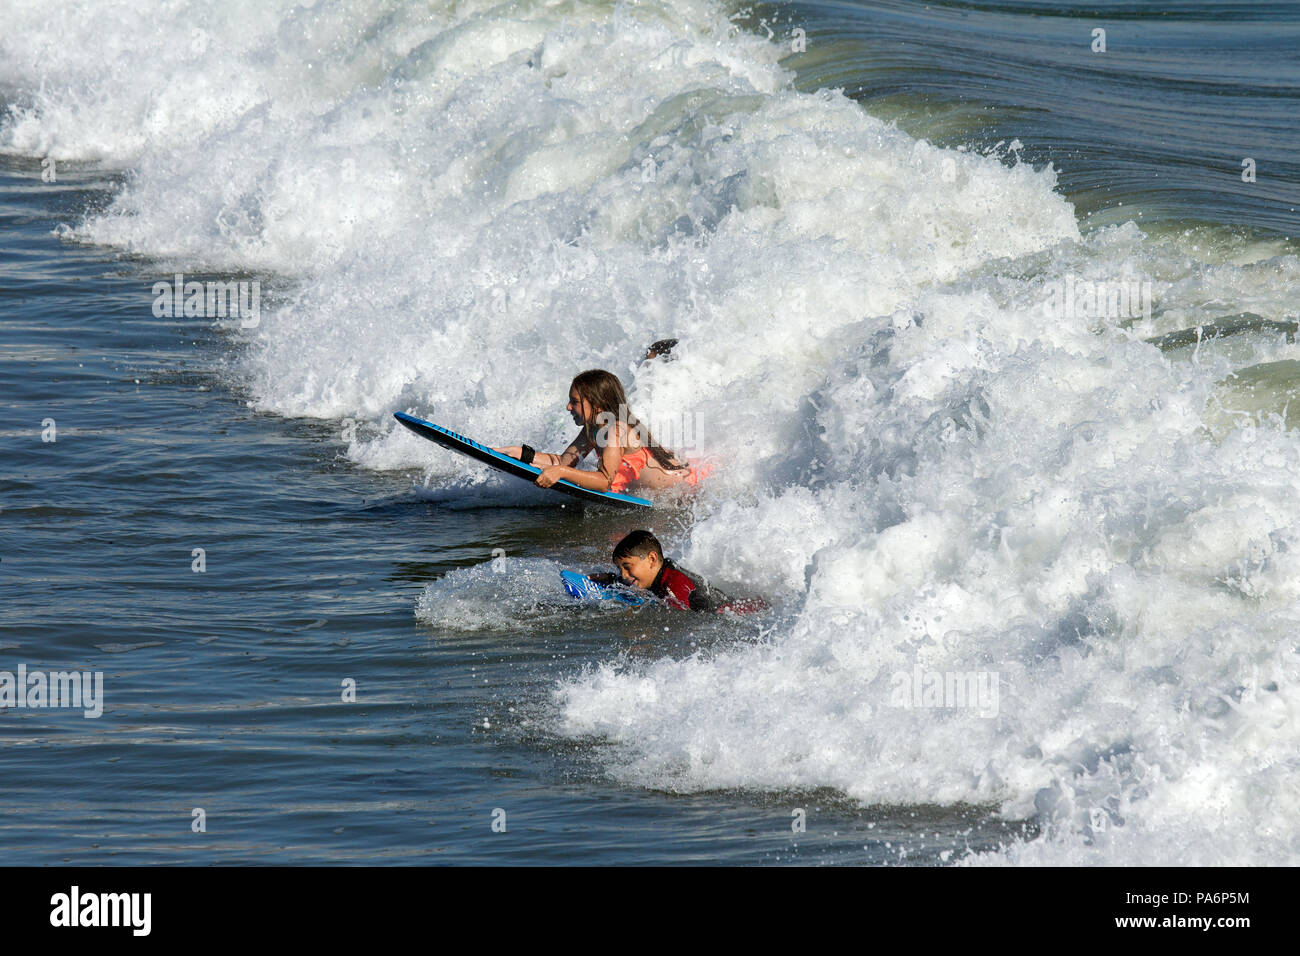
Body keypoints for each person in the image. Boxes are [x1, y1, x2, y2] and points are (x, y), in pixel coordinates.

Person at [495, 369, 705, 495]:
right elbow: (564, 462)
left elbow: (604, 482)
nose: (568, 407)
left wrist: (562, 473)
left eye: (575, 402)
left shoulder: (615, 431)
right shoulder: (593, 429)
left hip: (687, 489)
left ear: (599, 405)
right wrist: (523, 454)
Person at [602, 529, 765, 614]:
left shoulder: (674, 583)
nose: (623, 575)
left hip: (736, 611)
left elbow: (680, 615)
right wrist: (608, 579)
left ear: (651, 559)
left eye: (627, 567)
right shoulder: (657, 574)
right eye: (619, 569)